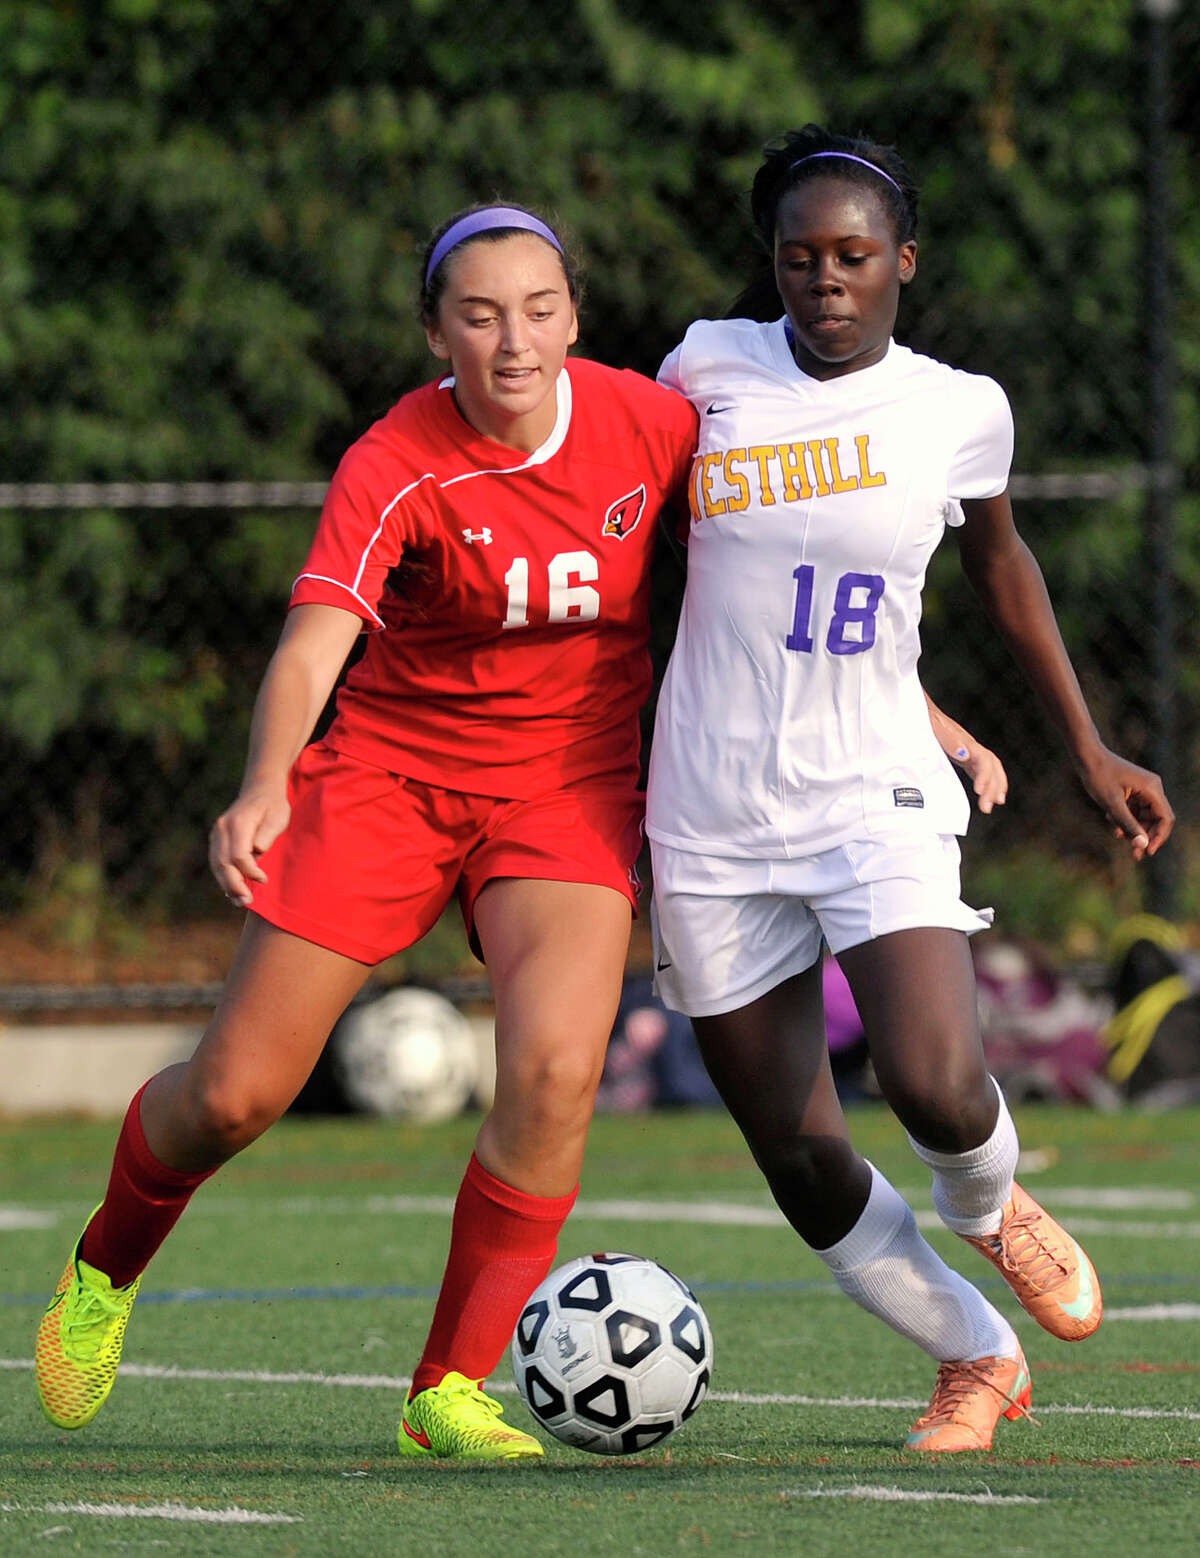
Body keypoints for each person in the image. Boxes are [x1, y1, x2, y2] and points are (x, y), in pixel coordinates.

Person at [32, 195, 1016, 1464]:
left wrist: (919, 711)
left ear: (577, 319)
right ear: (436, 330)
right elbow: (314, 639)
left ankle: (447, 1387)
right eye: (482, 316)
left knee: (554, 1073)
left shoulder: (652, 420)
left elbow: (785, 572)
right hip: (390, 778)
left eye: (541, 311)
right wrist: (266, 779)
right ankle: (105, 1269)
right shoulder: (397, 458)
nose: (514, 342)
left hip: (566, 790)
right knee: (233, 1094)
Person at [645, 125, 1174, 1454]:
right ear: (772, 264)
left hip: (872, 783)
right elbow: (661, 581)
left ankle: (994, 1205)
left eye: (854, 256)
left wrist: (1083, 743)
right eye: (800, 257)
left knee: (936, 1082)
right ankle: (975, 1356)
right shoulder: (704, 369)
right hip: (709, 804)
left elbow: (1004, 569)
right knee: (798, 1149)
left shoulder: (958, 407)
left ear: (904, 266)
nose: (825, 280)